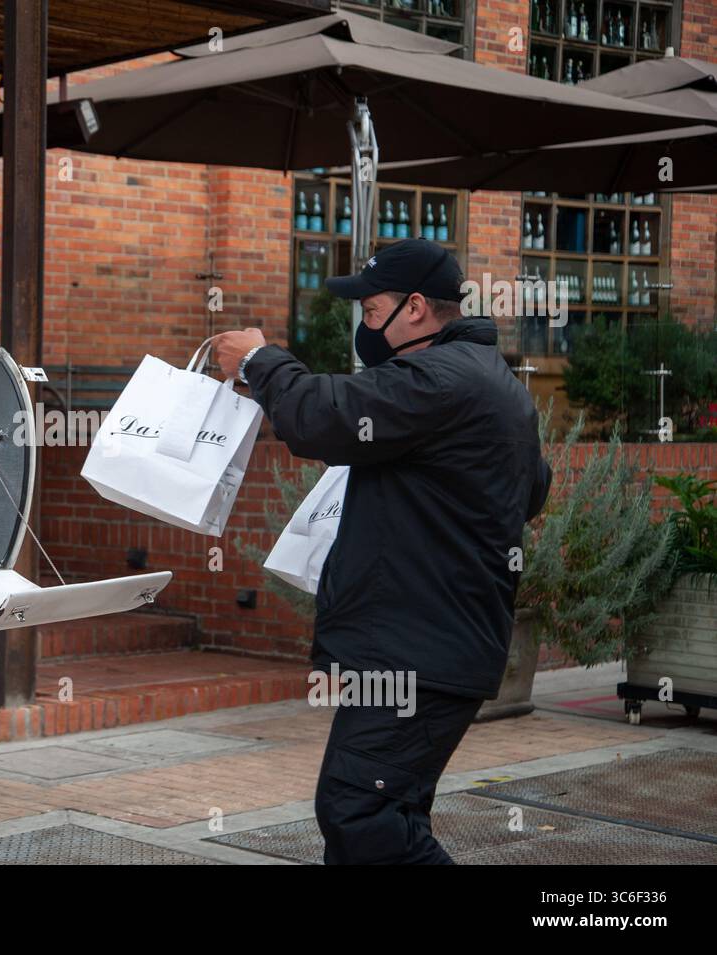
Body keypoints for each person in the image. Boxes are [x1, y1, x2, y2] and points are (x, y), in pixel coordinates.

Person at [212, 238, 551, 865]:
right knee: (377, 815)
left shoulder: (441, 379)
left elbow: (325, 414)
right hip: (436, 646)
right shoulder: (493, 383)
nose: (365, 326)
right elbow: (531, 491)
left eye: (371, 312)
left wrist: (259, 360)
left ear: (416, 308)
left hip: (420, 651)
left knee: (360, 814)